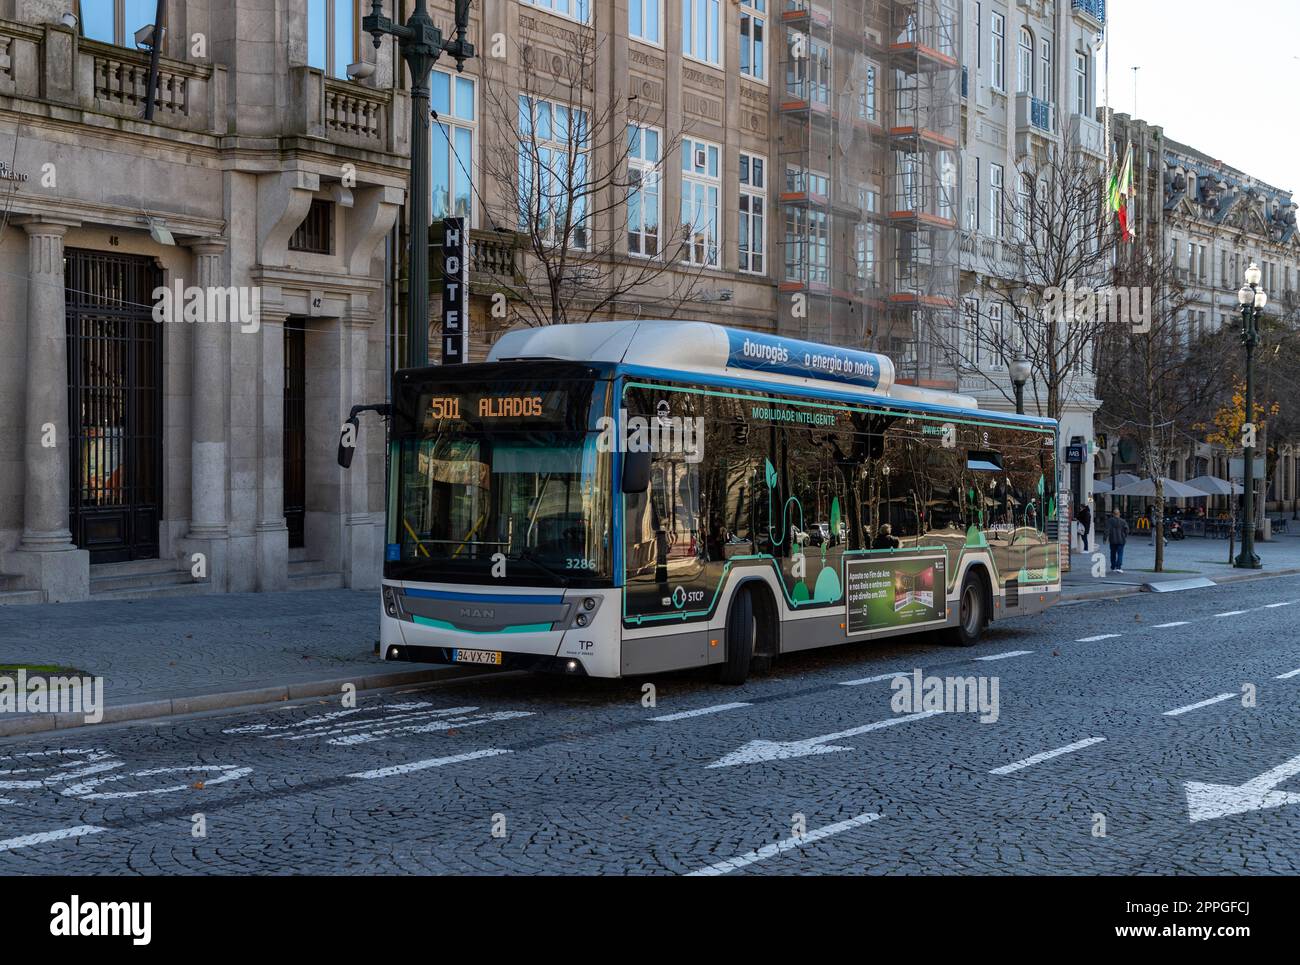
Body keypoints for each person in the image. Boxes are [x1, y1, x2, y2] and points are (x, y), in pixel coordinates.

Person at [1105, 508, 1129, 573]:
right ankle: (1118, 567)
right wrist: (1125, 536)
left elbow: (1107, 530)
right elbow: (1127, 530)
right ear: (1119, 514)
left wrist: (1105, 538)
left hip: (1112, 540)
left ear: (1113, 514)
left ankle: (1113, 567)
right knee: (1120, 554)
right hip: (1121, 540)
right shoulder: (1123, 521)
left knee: (1112, 554)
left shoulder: (1110, 521)